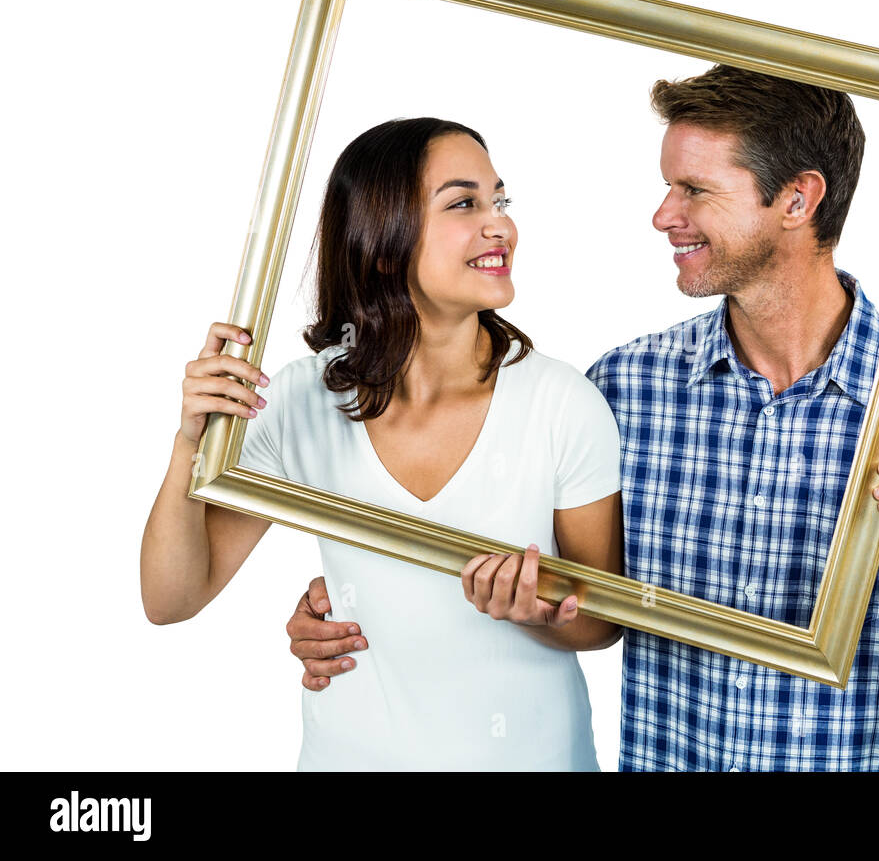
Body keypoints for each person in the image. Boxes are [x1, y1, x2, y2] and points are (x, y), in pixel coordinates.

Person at [289, 66, 879, 771]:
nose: (664, 215)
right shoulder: (626, 390)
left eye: (694, 190)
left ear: (797, 200)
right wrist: (353, 605)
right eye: (669, 187)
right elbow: (548, 581)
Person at [141, 118, 624, 771]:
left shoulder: (564, 404)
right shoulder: (300, 400)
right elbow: (172, 599)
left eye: (500, 200)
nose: (501, 226)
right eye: (464, 203)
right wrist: (187, 444)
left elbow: (604, 620)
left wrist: (536, 611)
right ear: (383, 243)